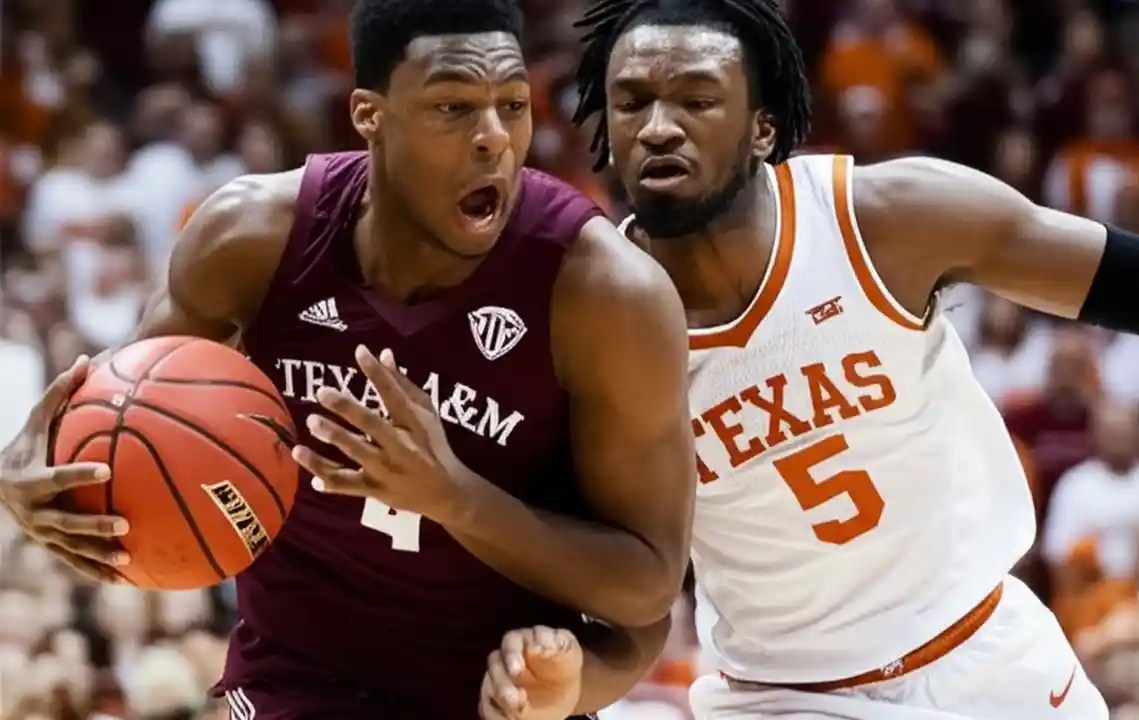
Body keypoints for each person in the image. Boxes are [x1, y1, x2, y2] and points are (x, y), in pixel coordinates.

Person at [480, 0, 1139, 718]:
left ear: (762, 126)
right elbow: (633, 592)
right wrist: (567, 686)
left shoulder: (883, 221)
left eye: (695, 99)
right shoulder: (598, 323)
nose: (658, 125)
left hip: (989, 654)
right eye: (632, 103)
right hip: (785, 697)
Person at [0, 0, 697, 717]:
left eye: (512, 104)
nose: (495, 138)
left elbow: (645, 586)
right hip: (292, 676)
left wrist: (455, 498)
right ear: (370, 114)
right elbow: (116, 429)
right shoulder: (251, 238)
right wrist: (35, 474)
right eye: (453, 106)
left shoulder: (606, 292)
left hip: (496, 693)